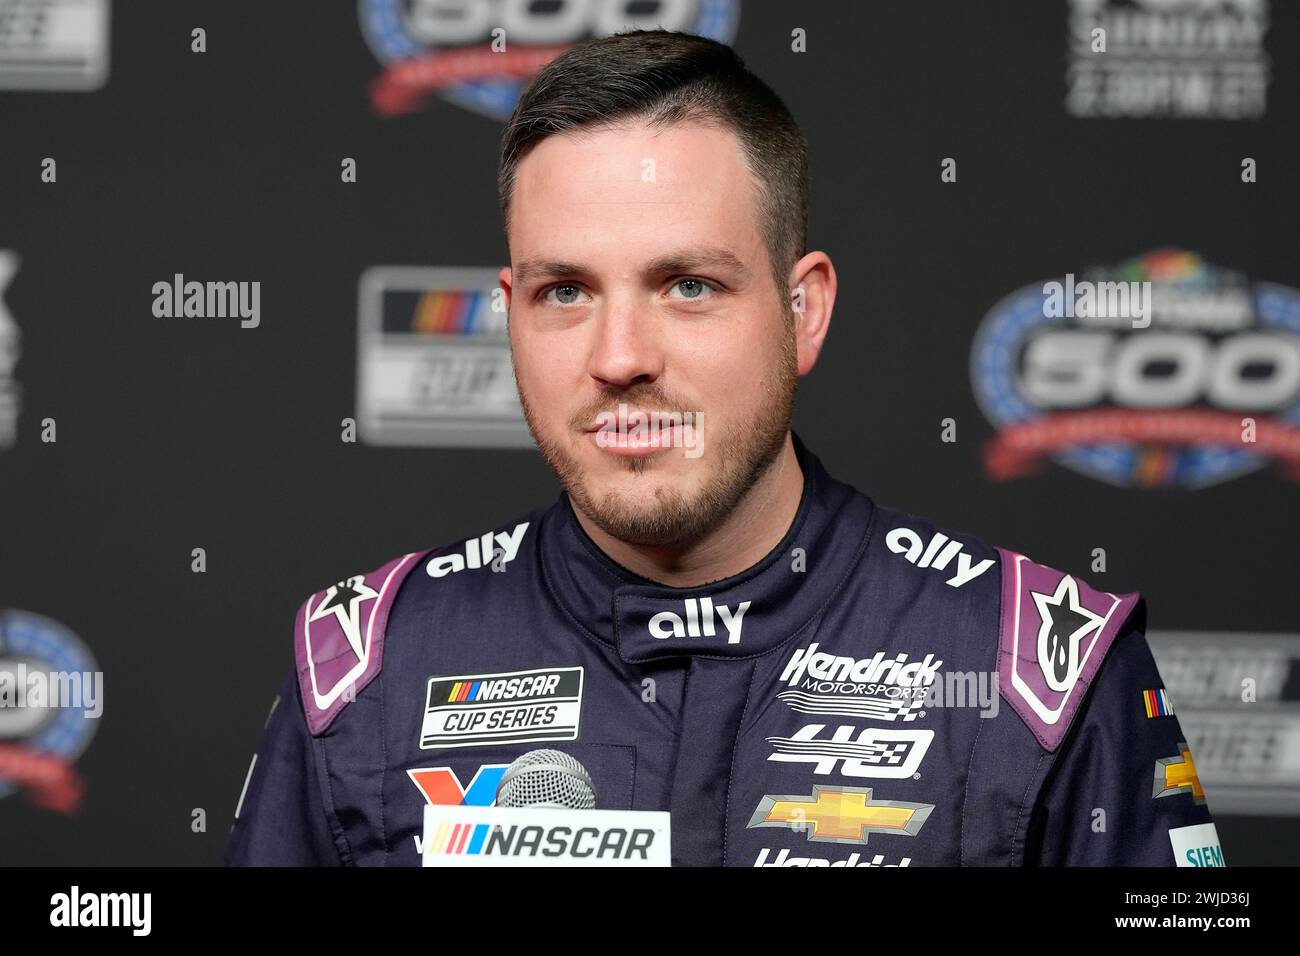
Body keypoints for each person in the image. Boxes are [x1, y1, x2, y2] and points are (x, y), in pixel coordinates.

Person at [224, 29, 1221, 867]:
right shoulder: (366, 671)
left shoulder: (1043, 669)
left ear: (803, 309)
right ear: (510, 315)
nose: (620, 357)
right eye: (564, 291)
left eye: (688, 285)